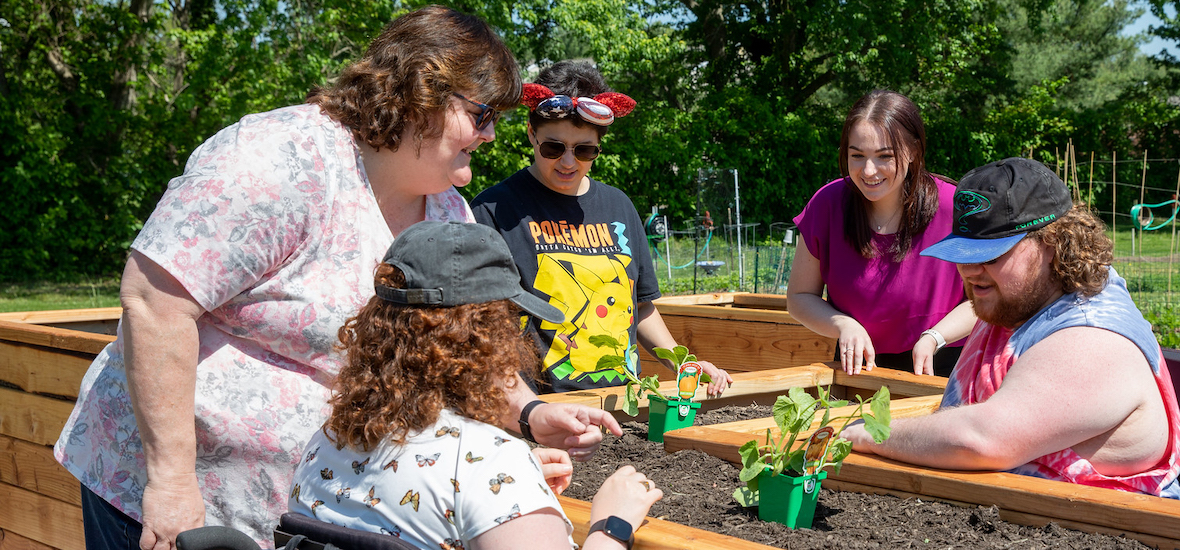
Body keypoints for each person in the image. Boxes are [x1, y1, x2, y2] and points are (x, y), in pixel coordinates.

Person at [54, 8, 620, 550]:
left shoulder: (448, 211)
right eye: (482, 114)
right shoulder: (280, 160)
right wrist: (173, 482)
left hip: (306, 508)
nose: (492, 135)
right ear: (422, 93)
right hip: (170, 496)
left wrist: (528, 412)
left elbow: (457, 346)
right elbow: (155, 304)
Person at [291, 221, 660, 550]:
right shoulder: (487, 462)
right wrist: (612, 524)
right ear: (484, 337)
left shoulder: (327, 441)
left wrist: (497, 488)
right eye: (510, 322)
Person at [839, 158, 1180, 500]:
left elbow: (982, 439)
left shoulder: (1091, 336)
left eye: (990, 256)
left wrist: (868, 432)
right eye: (963, 255)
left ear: (1051, 244)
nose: (971, 270)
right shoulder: (1017, 306)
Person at [472, 61, 731, 395]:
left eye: (584, 150)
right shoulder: (493, 210)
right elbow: (482, 327)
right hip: (541, 410)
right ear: (531, 133)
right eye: (553, 147)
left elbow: (640, 307)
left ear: (599, 147)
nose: (568, 162)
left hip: (624, 406)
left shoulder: (618, 207)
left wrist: (683, 364)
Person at [788, 90, 974, 377]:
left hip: (943, 363)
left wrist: (936, 336)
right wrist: (843, 324)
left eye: (884, 156)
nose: (869, 170)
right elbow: (799, 297)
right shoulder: (826, 204)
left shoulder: (954, 207)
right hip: (856, 367)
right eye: (857, 156)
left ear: (912, 151)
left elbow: (986, 297)